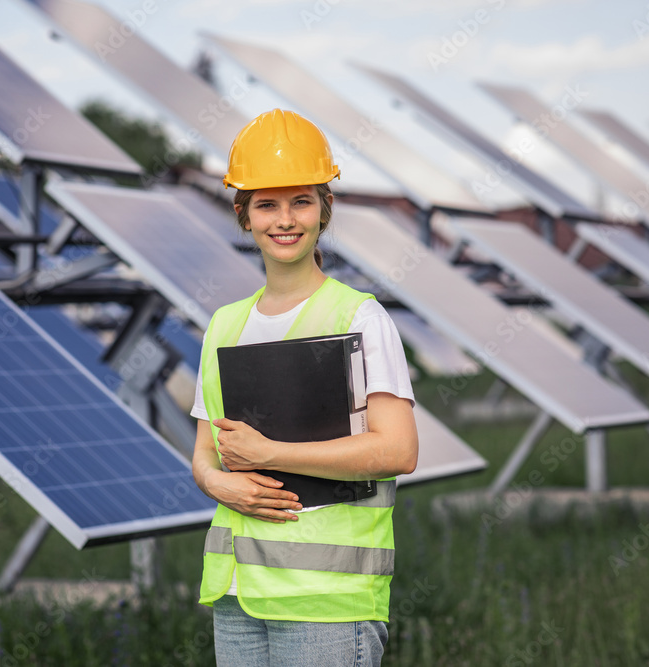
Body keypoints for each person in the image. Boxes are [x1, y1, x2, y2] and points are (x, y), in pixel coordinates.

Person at [190, 108, 419, 666]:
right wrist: (218, 484)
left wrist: (270, 454)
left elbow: (398, 451)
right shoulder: (224, 326)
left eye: (301, 201)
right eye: (267, 205)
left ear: (324, 209)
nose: (285, 220)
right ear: (244, 216)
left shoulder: (359, 318)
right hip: (238, 594)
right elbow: (205, 453)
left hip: (328, 602)